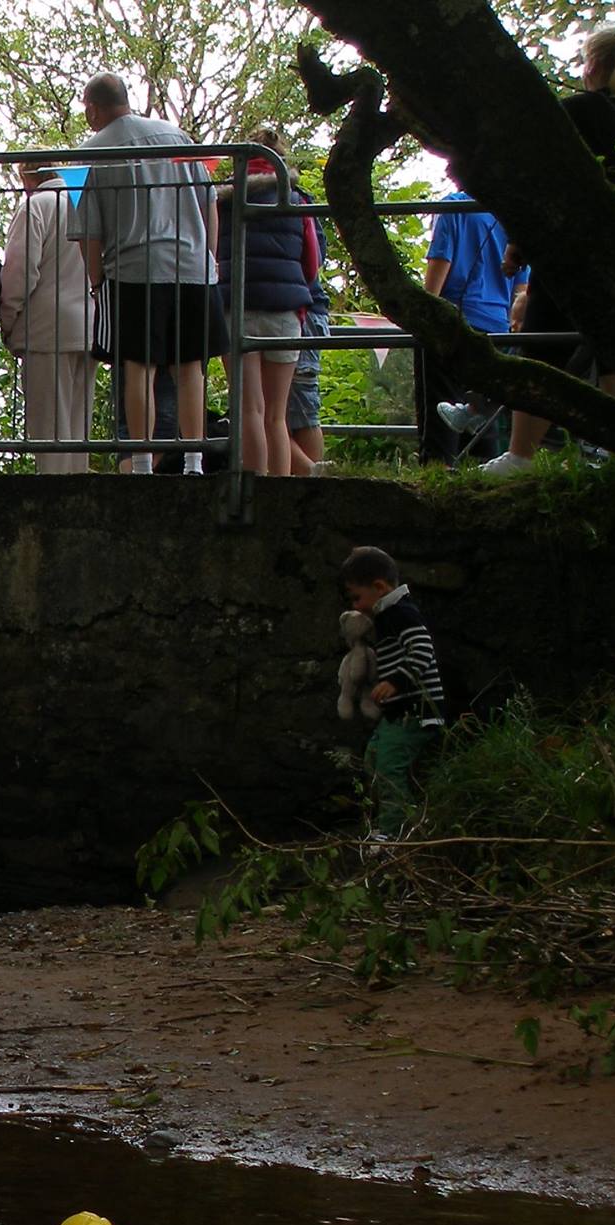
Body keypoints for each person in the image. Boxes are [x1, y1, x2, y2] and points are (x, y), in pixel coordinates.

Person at [476, 29, 615, 476]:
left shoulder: (570, 114)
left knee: (540, 349)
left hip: (569, 253)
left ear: (591, 64)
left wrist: (519, 241)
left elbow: (539, 183)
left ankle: (520, 455)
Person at [69, 73, 224, 474]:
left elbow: (89, 230)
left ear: (92, 108)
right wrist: (209, 259)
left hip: (134, 269)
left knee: (138, 366)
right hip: (193, 266)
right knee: (191, 365)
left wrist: (97, 281)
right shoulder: (179, 138)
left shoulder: (89, 153)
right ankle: (194, 461)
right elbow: (210, 205)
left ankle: (140, 462)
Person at [215, 144, 319, 476]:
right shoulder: (296, 200)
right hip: (284, 313)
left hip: (237, 308)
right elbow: (312, 263)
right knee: (277, 414)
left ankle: (252, 492)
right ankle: (282, 494)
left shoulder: (224, 203)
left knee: (249, 410)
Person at [341, 546, 446, 838]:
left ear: (379, 587)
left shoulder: (401, 612)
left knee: (389, 772)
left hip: (415, 713)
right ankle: (407, 821)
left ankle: (395, 833)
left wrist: (396, 682)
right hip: (399, 714)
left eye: (357, 597)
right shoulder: (387, 615)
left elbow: (423, 649)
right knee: (374, 758)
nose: (356, 606)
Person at [417, 190, 527, 465]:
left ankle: (435, 482)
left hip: (453, 322)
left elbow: (436, 279)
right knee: (482, 419)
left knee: (439, 421)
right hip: (497, 328)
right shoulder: (512, 217)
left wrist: (422, 319)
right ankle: (479, 485)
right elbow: (521, 292)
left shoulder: (454, 207)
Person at [0, 159, 93, 473]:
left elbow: (19, 273)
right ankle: (78, 493)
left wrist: (8, 321)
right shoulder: (84, 204)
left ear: (27, 176)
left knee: (50, 427)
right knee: (80, 427)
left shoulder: (35, 207)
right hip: (89, 325)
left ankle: (51, 494)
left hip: (46, 328)